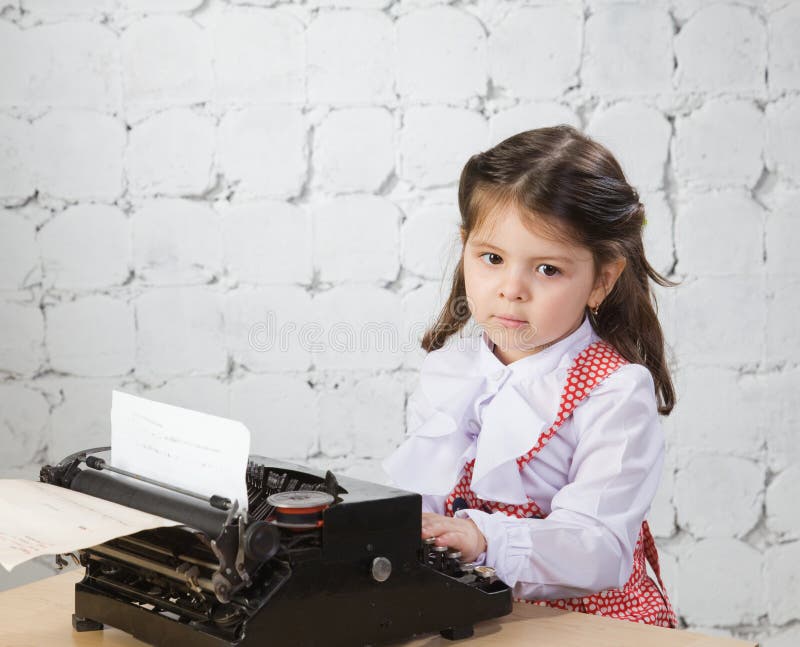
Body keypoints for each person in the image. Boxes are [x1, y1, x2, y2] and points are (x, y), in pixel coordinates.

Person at [383, 125, 679, 627]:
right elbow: (425, 496)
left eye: (547, 269)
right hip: (477, 611)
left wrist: (484, 538)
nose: (511, 289)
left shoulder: (613, 391)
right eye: (492, 259)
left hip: (581, 624)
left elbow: (597, 546)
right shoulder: (452, 372)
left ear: (601, 280)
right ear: (465, 249)